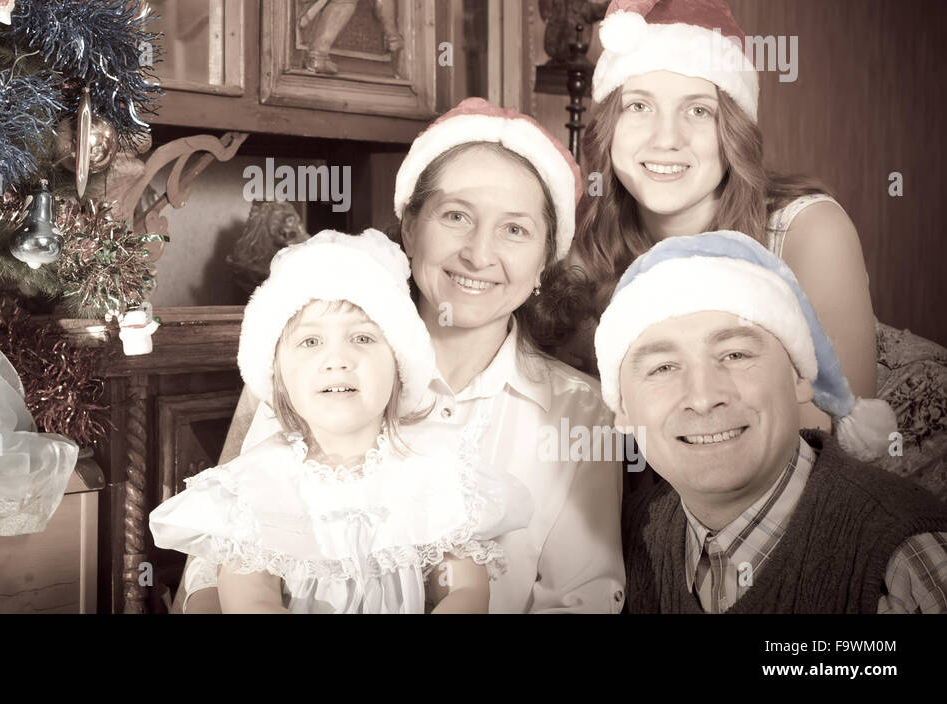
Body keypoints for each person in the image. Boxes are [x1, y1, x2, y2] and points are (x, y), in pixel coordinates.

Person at [177, 99, 625, 613]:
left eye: (515, 229)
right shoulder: (317, 370)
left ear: (546, 258)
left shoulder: (582, 413)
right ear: (410, 228)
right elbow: (209, 580)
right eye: (456, 216)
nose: (479, 254)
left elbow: (584, 599)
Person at [149, 229, 532, 613]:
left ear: (400, 365)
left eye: (363, 339)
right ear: (278, 376)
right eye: (311, 342)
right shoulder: (255, 486)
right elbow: (252, 601)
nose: (337, 360)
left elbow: (465, 592)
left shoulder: (435, 470)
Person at [569, 0, 880, 434]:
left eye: (698, 111)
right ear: (609, 127)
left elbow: (834, 436)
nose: (665, 139)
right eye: (639, 106)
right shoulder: (584, 237)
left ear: (732, 131)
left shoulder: (809, 232)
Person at [596, 231, 946, 613]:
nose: (703, 397)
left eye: (734, 355)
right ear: (623, 413)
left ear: (800, 375)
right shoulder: (624, 545)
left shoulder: (905, 564)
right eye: (662, 367)